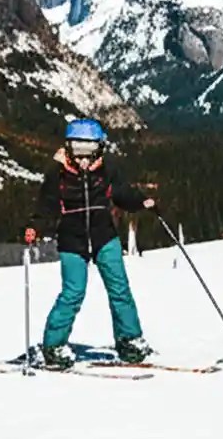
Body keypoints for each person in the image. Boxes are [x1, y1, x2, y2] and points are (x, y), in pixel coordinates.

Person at [24, 118, 159, 369]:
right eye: (77, 149)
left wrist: (141, 201)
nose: (83, 157)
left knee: (119, 288)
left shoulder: (108, 169)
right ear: (68, 147)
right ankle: (53, 345)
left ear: (100, 147)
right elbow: (46, 204)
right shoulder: (57, 172)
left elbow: (122, 194)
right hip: (72, 240)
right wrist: (36, 225)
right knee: (73, 293)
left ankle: (130, 340)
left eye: (89, 149)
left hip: (104, 236)